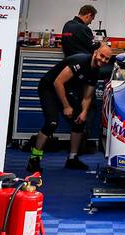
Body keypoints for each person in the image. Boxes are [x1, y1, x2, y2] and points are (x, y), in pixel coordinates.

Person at [28, 43, 117, 172]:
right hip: (49, 88)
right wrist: (66, 106)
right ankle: (34, 159)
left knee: (80, 120)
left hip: (66, 89)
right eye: (101, 56)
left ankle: (72, 158)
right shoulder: (80, 61)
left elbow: (87, 97)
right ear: (95, 53)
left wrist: (84, 112)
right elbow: (58, 82)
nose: (103, 60)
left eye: (106, 59)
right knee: (52, 122)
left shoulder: (95, 72)